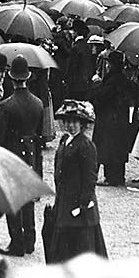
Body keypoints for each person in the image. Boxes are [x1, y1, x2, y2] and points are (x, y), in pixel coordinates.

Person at [0, 56, 45, 257]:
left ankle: (17, 242)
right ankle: (29, 240)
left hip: (12, 151)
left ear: (12, 79)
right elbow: (40, 133)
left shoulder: (6, 105)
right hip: (30, 152)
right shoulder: (38, 103)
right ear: (28, 77)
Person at [46, 100, 107, 263]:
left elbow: (90, 178)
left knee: (81, 247)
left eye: (75, 122)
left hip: (79, 205)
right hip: (64, 199)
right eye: (68, 122)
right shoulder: (64, 141)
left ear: (82, 124)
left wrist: (83, 203)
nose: (71, 125)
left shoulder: (86, 145)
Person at [88, 50, 135, 187]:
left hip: (109, 118)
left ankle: (111, 177)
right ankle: (118, 176)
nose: (107, 66)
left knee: (107, 147)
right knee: (117, 148)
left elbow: (102, 97)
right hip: (120, 118)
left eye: (109, 63)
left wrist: (96, 85)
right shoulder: (123, 79)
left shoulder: (111, 80)